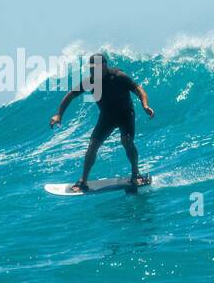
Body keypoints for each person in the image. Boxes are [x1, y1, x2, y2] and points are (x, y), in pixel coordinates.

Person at [49, 53, 154, 191]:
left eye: (94, 68)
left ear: (103, 66)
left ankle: (136, 174)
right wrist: (59, 115)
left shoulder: (119, 76)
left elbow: (138, 89)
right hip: (107, 117)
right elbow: (71, 95)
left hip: (125, 115)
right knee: (92, 146)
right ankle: (83, 181)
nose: (91, 71)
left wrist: (145, 105)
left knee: (127, 141)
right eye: (90, 68)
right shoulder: (90, 81)